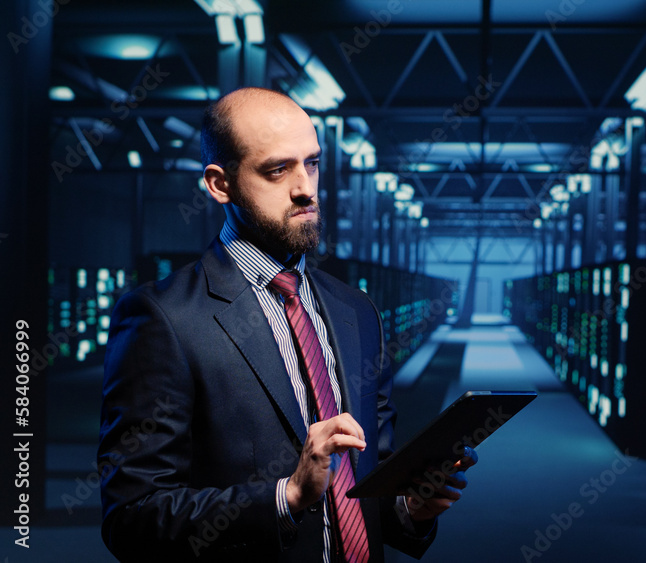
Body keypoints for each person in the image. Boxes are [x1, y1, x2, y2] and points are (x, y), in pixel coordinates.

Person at [98, 87, 475, 563]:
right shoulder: (163, 318)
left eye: (312, 163)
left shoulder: (355, 310)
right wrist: (286, 497)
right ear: (219, 184)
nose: (305, 188)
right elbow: (131, 519)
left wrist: (410, 507)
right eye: (278, 169)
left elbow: (367, 490)